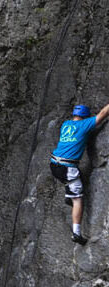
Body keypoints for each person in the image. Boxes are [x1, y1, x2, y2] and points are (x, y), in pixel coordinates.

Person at [50, 102, 109, 244]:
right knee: (78, 199)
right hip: (67, 167)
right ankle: (76, 233)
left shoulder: (66, 125)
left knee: (76, 179)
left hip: (54, 164)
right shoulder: (84, 125)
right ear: (84, 116)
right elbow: (102, 114)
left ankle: (68, 194)